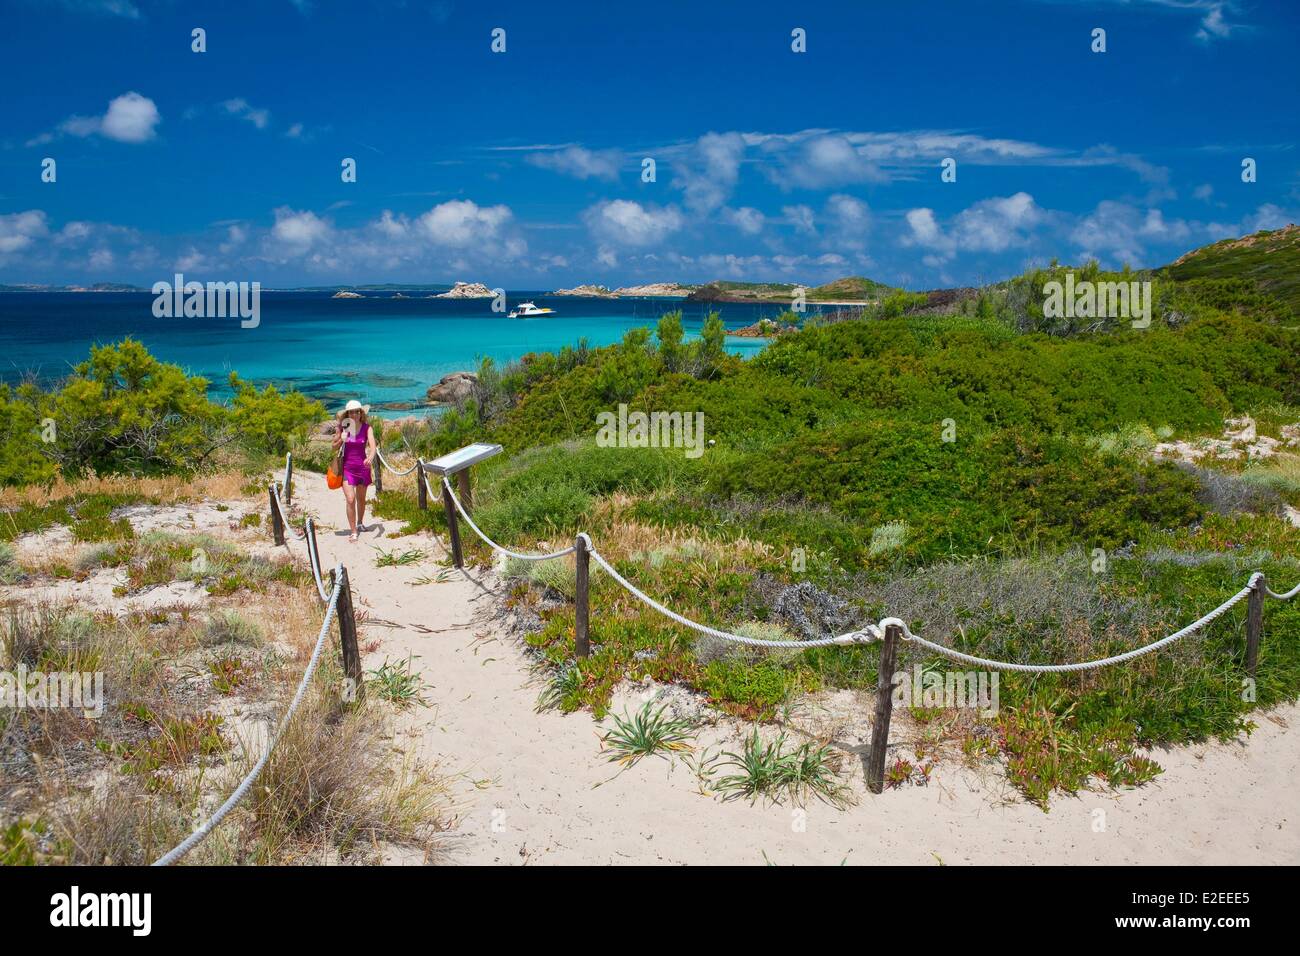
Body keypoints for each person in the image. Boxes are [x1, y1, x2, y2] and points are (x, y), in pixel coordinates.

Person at [333, 399, 378, 542]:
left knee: (361, 499)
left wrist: (370, 457)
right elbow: (333, 447)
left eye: (356, 412)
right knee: (350, 499)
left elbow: (373, 446)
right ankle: (353, 531)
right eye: (351, 412)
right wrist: (342, 440)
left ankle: (360, 523)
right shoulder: (344, 426)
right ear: (347, 414)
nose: (354, 414)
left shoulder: (367, 428)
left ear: (361, 413)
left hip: (362, 467)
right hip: (347, 468)